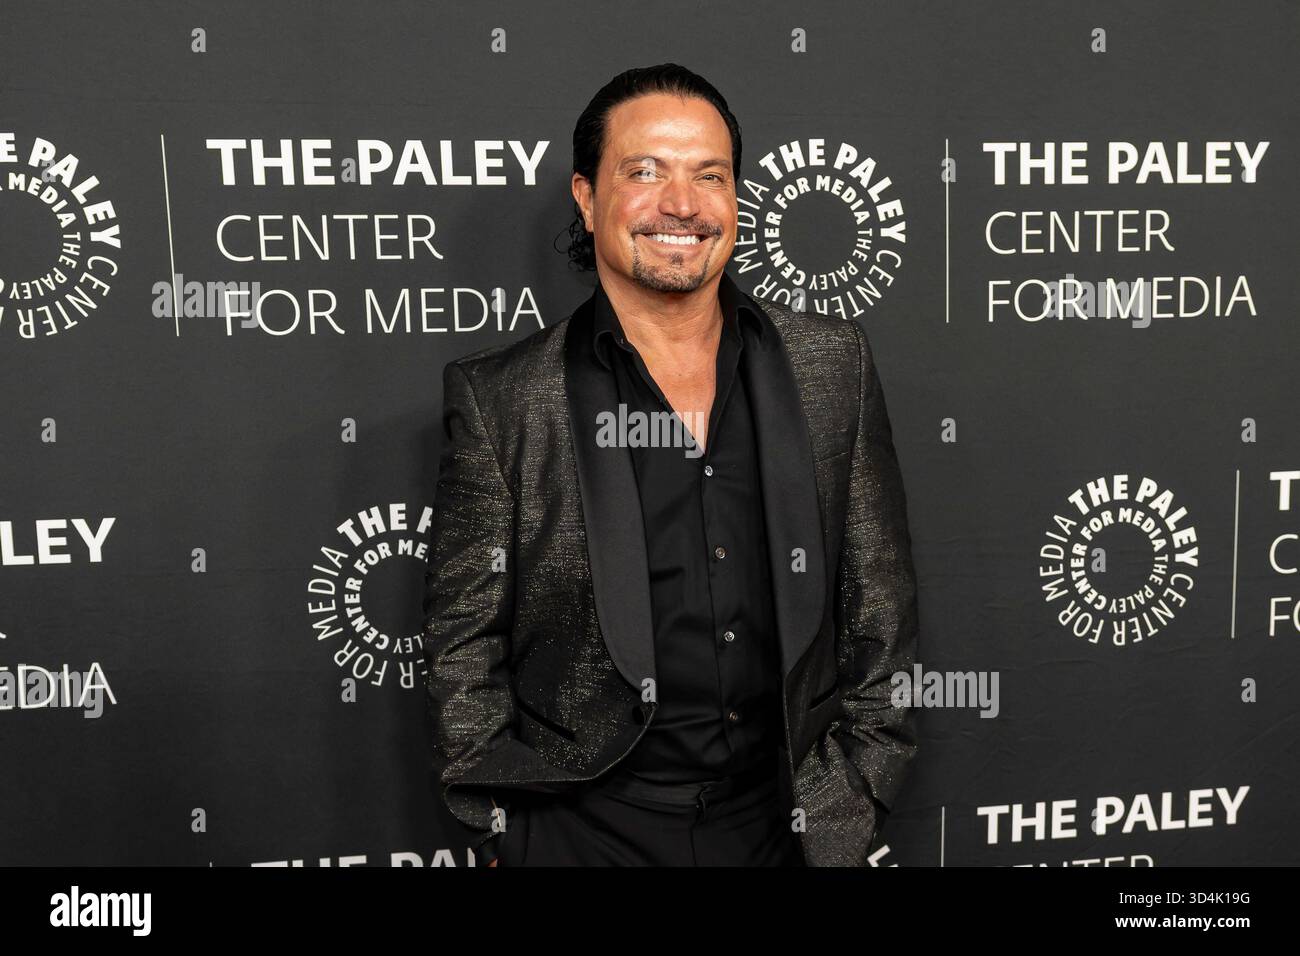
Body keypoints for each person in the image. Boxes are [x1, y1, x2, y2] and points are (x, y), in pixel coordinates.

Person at [421, 63, 919, 866]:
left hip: (788, 826)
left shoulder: (834, 365)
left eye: (709, 176)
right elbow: (463, 645)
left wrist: (856, 794)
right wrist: (509, 832)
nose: (682, 205)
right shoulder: (502, 399)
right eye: (645, 171)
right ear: (586, 197)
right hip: (585, 832)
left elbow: (881, 607)